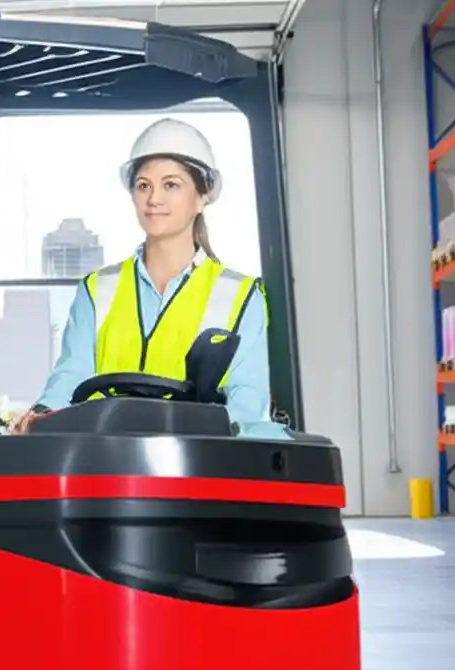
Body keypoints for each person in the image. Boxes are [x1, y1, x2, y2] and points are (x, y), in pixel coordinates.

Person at [14, 117, 275, 435]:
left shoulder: (241, 295)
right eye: (143, 185)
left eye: (171, 185)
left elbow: (247, 401)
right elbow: (70, 377)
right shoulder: (98, 289)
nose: (154, 199)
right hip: (103, 461)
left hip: (197, 463)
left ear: (202, 196)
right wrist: (43, 415)